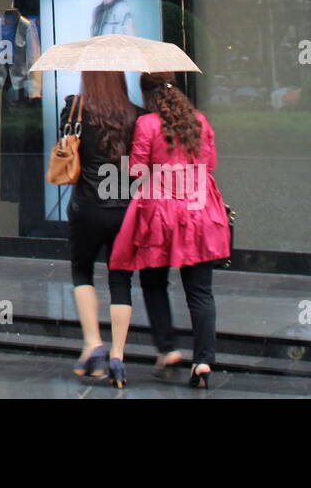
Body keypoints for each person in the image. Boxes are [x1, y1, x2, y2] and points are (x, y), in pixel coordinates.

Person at [109, 71, 230, 388]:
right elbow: (210, 163)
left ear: (147, 94)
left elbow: (136, 170)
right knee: (201, 292)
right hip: (200, 209)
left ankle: (167, 348)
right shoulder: (199, 120)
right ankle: (203, 361)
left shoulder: (147, 124)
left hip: (160, 212)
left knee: (153, 282)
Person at [64, 70, 143, 388]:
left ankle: (93, 342)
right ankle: (118, 357)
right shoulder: (137, 115)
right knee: (120, 279)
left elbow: (67, 147)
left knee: (82, 271)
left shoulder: (75, 107)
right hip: (124, 209)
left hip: (87, 207)